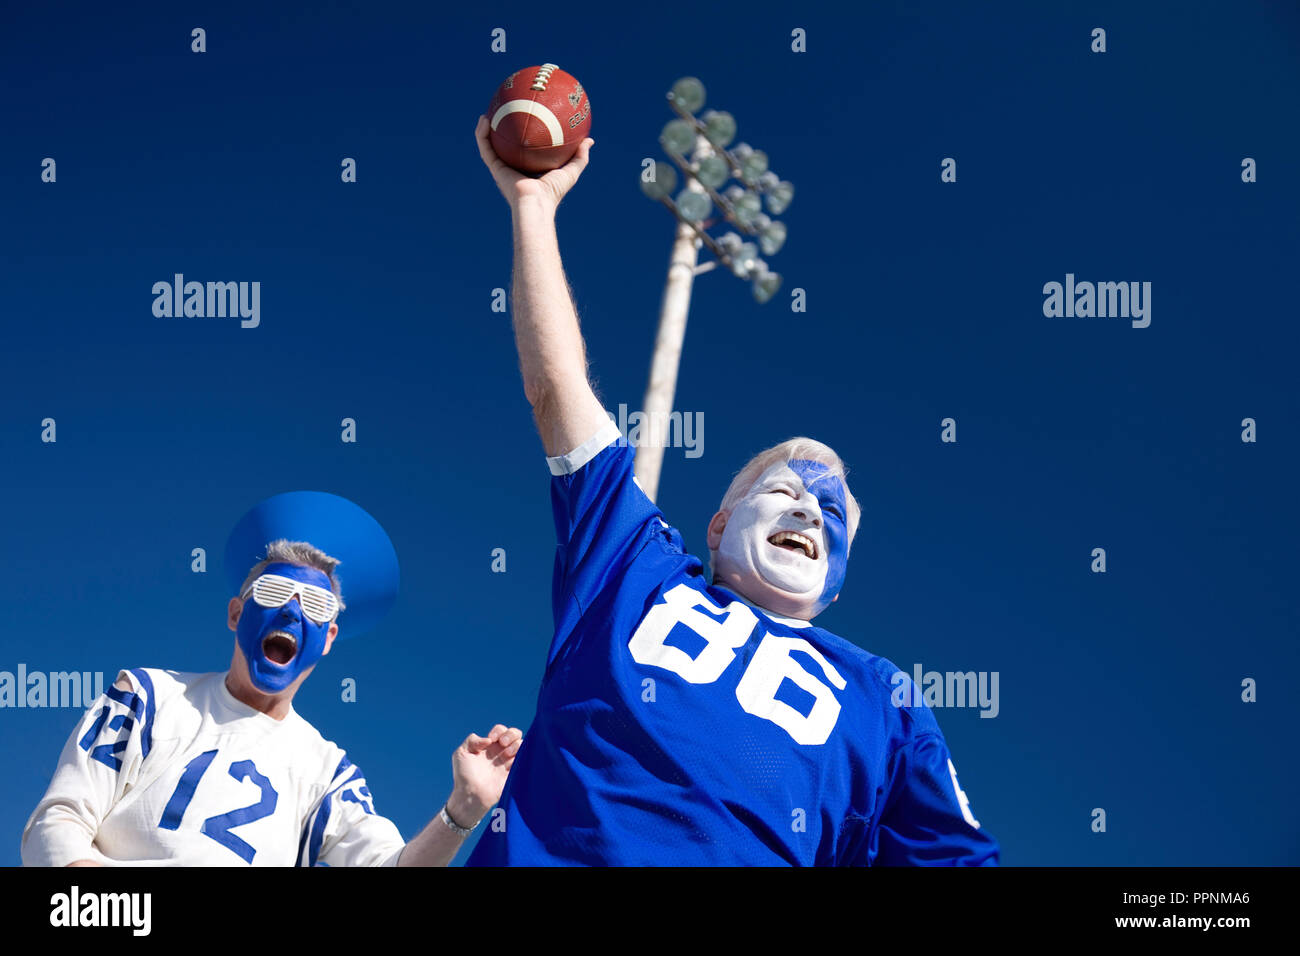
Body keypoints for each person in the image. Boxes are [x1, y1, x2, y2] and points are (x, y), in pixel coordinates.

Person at [466, 115, 999, 865]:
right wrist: (533, 208)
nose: (811, 506)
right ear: (716, 528)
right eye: (783, 488)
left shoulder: (885, 698)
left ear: (838, 585)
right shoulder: (633, 568)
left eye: (834, 513)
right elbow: (557, 391)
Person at [22, 539, 521, 866]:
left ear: (327, 639)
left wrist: (464, 808)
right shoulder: (151, 695)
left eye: (315, 606)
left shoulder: (327, 772)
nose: (291, 608)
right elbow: (56, 825)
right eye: (275, 591)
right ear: (237, 613)